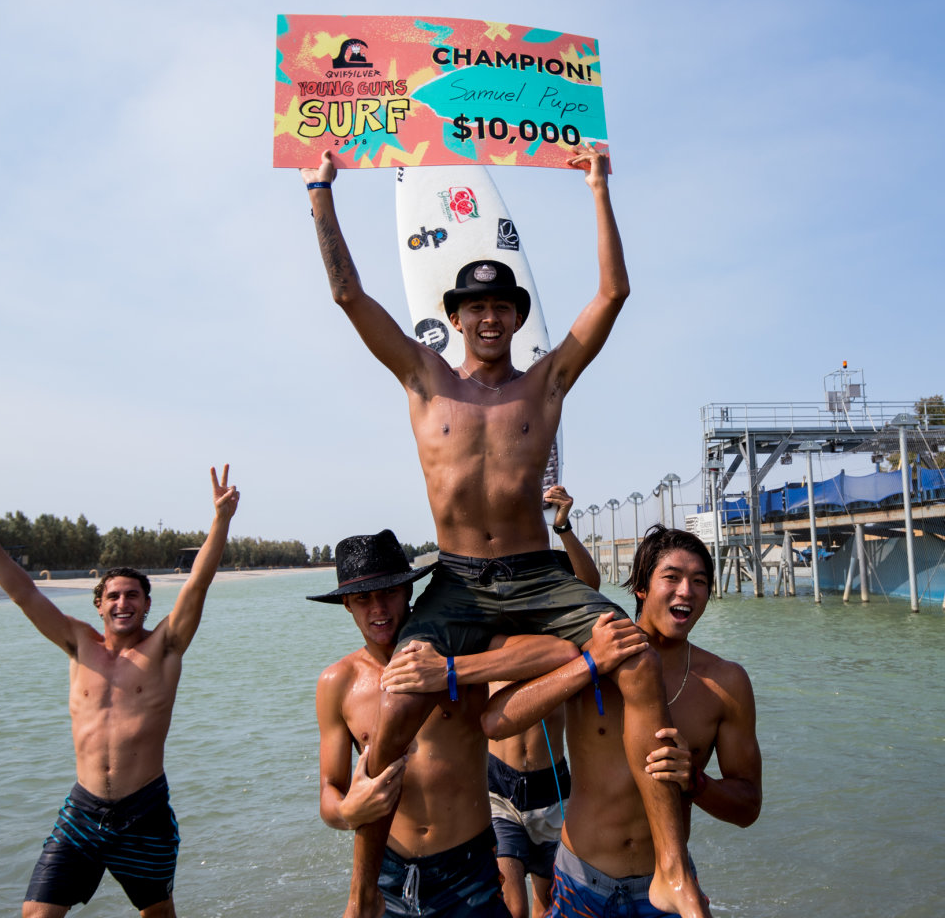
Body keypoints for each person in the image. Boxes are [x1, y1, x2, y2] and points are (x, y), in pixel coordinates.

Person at [303, 146, 708, 918]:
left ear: (517, 318)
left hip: (535, 569)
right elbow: (349, 295)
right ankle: (361, 893)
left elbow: (614, 292)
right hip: (456, 579)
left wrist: (596, 186)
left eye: (503, 309)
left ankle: (670, 866)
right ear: (455, 318)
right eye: (476, 309)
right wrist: (321, 192)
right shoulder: (425, 379)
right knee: (394, 706)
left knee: (628, 651)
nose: (490, 319)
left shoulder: (545, 384)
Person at [0, 465, 240, 918]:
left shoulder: (165, 647)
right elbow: (23, 593)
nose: (122, 603)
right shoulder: (78, 643)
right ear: (99, 605)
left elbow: (198, 583)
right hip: (82, 812)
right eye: (113, 596)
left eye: (132, 596)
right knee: (36, 914)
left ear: (147, 604)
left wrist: (221, 519)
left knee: (158, 915)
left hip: (144, 812)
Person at [312, 529, 609, 918]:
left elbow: (557, 650)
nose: (378, 609)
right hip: (388, 873)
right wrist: (349, 811)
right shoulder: (338, 682)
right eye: (363, 599)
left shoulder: (458, 649)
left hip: (468, 870)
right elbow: (329, 793)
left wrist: (450, 671)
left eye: (388, 593)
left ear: (409, 593)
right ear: (347, 605)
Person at [483, 526, 763, 918]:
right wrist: (589, 664)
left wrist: (695, 781)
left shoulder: (725, 684)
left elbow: (748, 806)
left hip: (666, 890)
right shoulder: (592, 653)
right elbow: (497, 719)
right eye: (672, 577)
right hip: (581, 882)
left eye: (699, 581)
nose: (686, 591)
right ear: (641, 588)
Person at [487, 485, 598, 918]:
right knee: (511, 903)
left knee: (546, 900)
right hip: (500, 785)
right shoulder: (495, 630)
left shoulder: (564, 637)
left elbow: (590, 583)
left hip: (554, 784)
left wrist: (563, 525)